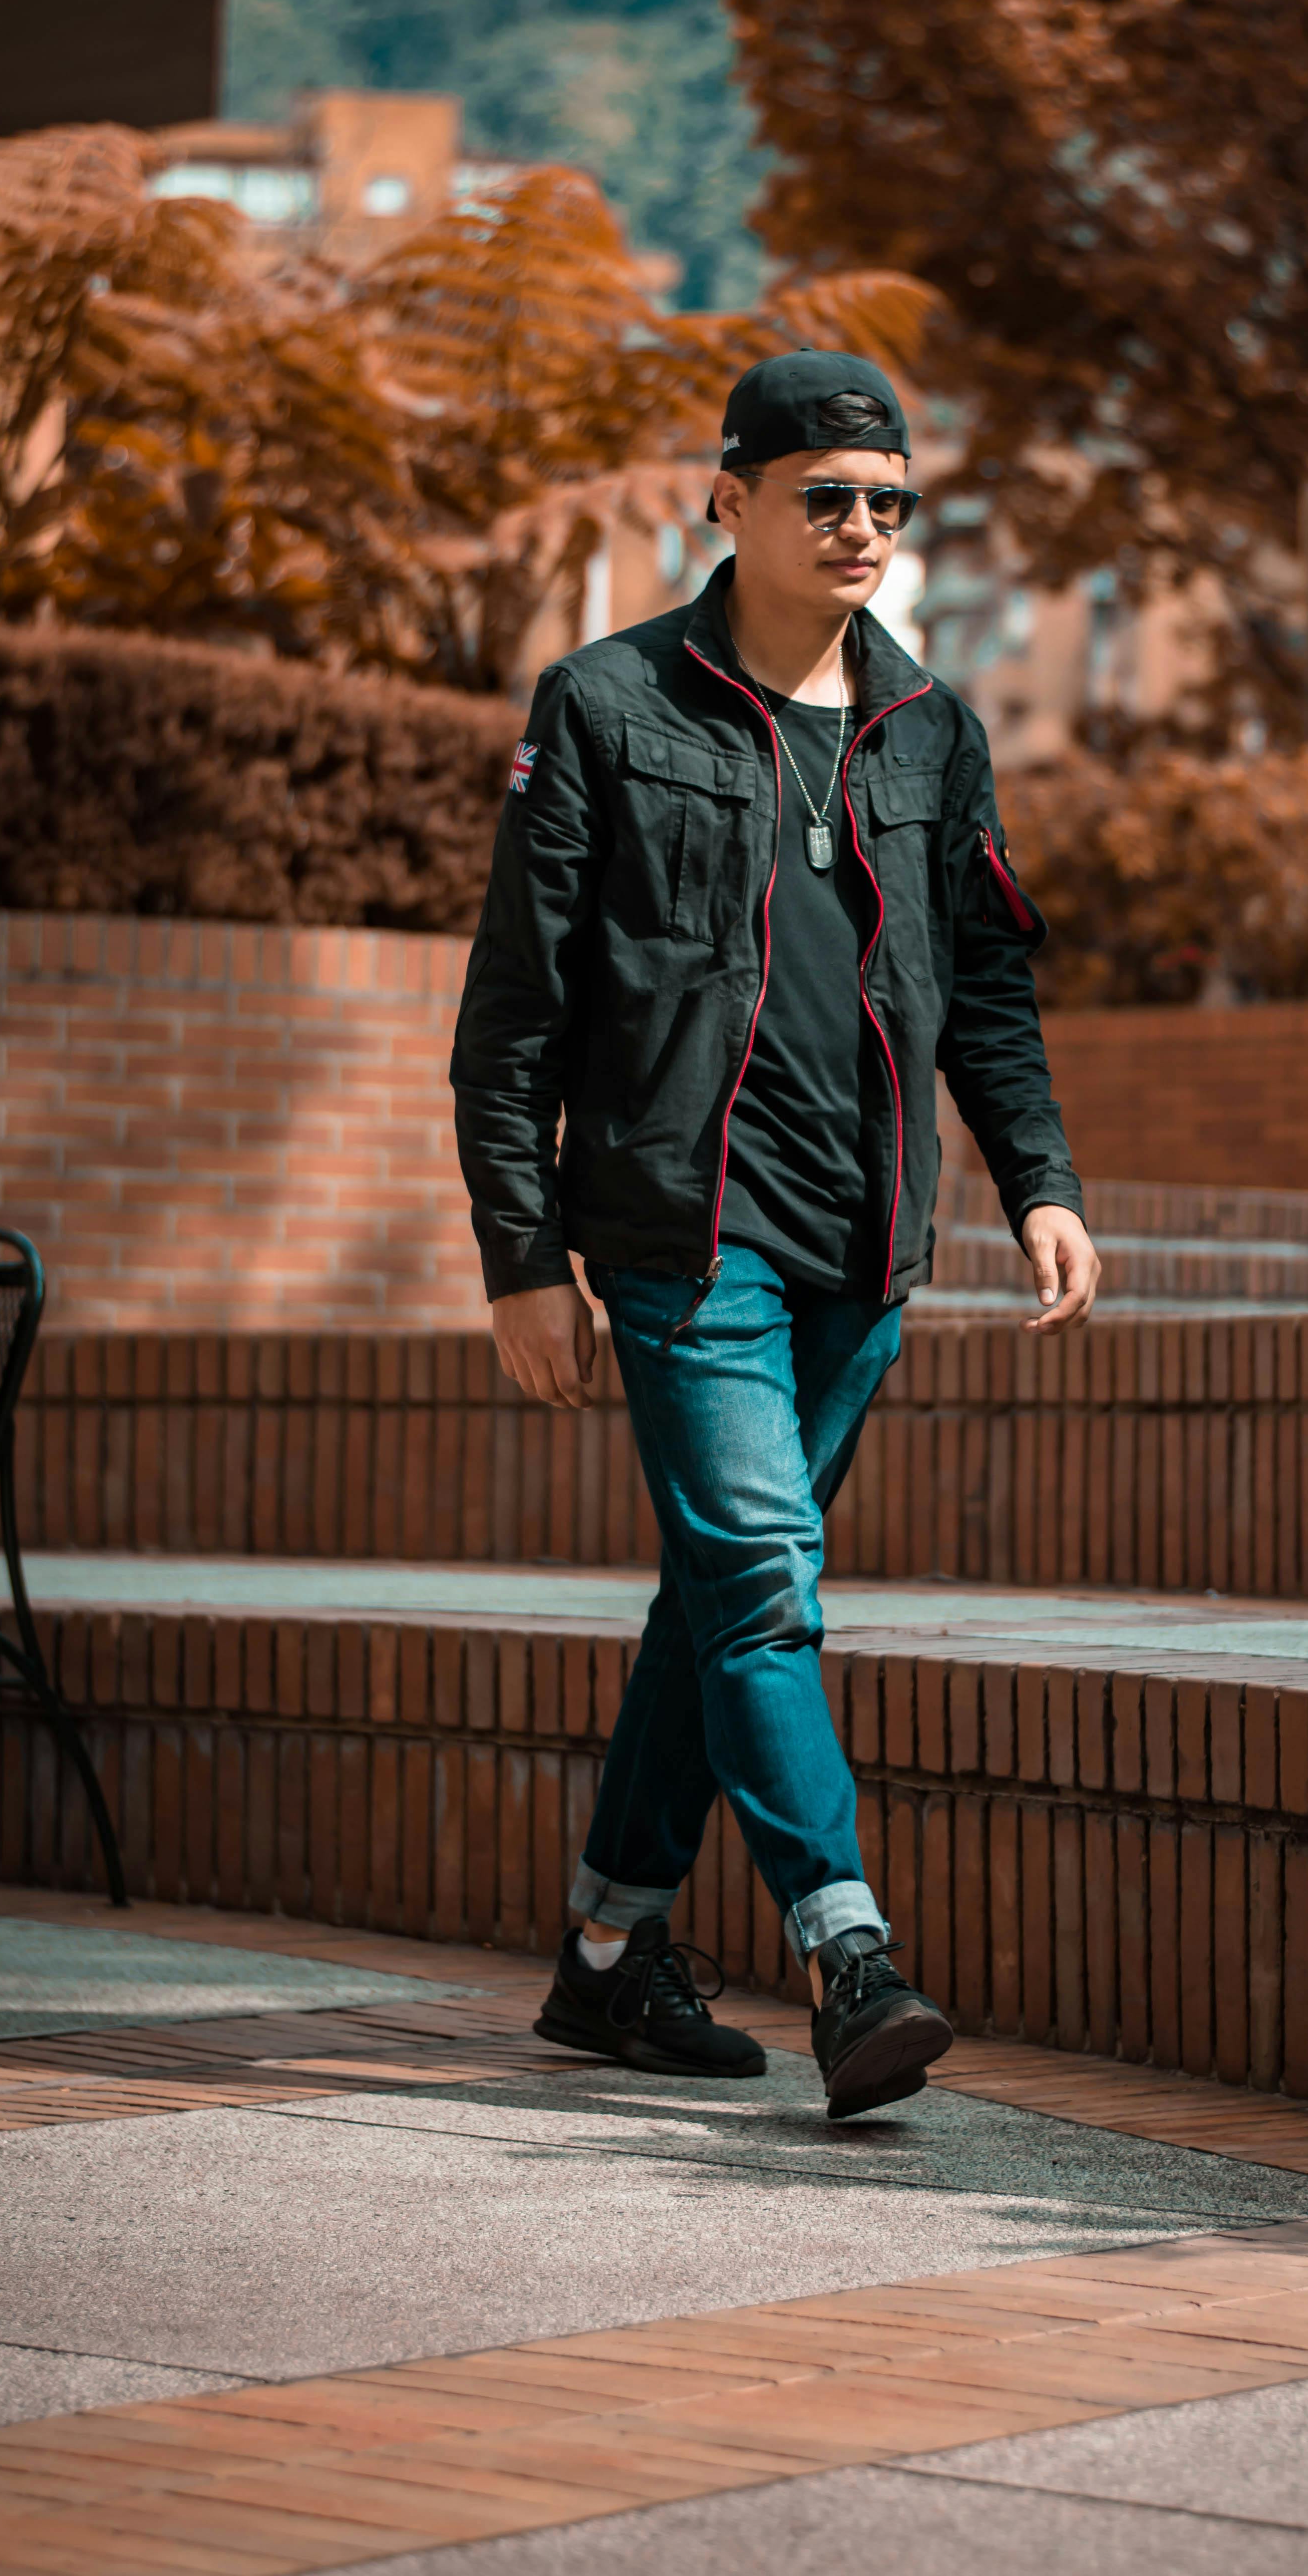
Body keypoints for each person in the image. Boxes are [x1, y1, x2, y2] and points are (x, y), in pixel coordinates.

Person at [451, 349, 1099, 2120]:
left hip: (863, 1242)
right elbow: (516, 1013)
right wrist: (523, 1256)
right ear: (728, 499)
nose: (866, 529)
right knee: (762, 1580)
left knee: (721, 1594)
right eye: (829, 495)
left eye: (893, 500)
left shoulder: (933, 731)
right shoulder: (605, 707)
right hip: (682, 1232)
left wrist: (1037, 1176)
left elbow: (985, 993)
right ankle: (848, 1946)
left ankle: (606, 1953)